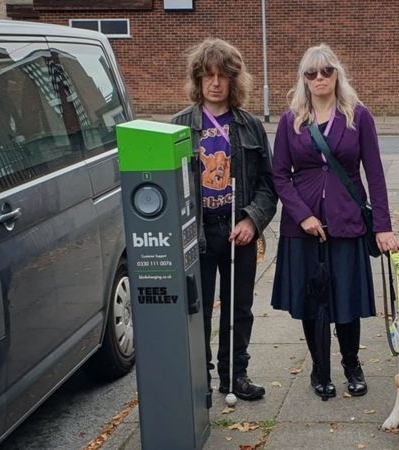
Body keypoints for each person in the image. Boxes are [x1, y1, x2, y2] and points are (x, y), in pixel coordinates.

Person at [270, 44, 399, 399]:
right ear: (304, 79)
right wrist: (303, 215)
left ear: (336, 74)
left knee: (346, 297)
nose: (319, 78)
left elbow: (375, 174)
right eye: (311, 73)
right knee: (311, 301)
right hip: (303, 228)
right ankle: (319, 368)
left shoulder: (358, 116)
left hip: (347, 221)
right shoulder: (290, 120)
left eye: (326, 71)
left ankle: (351, 365)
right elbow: (280, 174)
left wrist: (383, 226)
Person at [172, 38, 277, 401]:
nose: (215, 83)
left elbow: (268, 184)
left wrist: (252, 221)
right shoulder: (179, 127)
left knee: (239, 309)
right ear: (198, 79)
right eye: (208, 75)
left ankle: (235, 376)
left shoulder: (250, 126)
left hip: (237, 232)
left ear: (234, 80)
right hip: (196, 236)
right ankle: (198, 379)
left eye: (222, 76)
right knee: (196, 310)